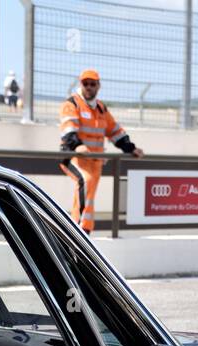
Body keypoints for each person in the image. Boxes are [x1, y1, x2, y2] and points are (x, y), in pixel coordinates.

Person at [58, 69, 143, 233]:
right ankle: (76, 231)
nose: (89, 87)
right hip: (74, 158)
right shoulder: (72, 104)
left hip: (95, 161)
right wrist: (77, 146)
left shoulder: (101, 108)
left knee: (89, 197)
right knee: (85, 181)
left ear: (98, 86)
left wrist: (131, 148)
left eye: (92, 84)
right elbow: (68, 129)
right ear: (80, 84)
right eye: (85, 83)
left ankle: (86, 230)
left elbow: (115, 131)